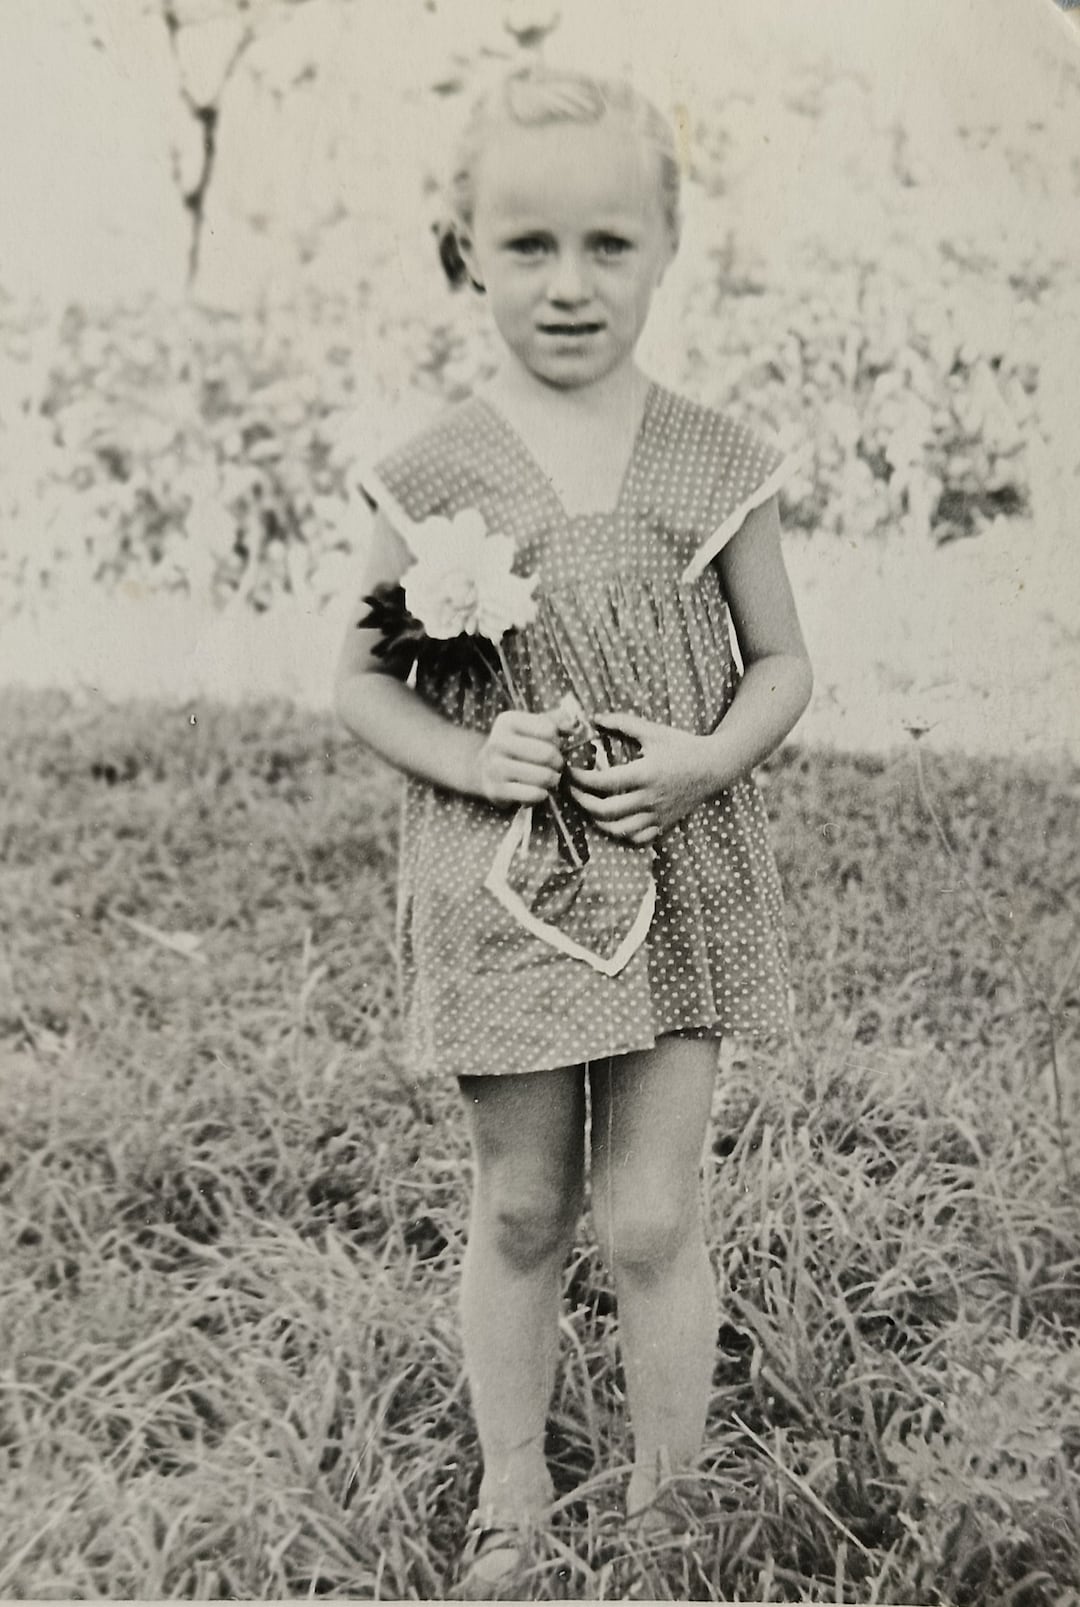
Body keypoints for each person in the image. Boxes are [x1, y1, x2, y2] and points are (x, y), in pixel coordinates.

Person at [334, 67, 813, 1595]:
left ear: (670, 246)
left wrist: (704, 759)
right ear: (463, 248)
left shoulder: (710, 457)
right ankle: (517, 1491)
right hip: (504, 886)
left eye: (610, 245)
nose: (568, 285)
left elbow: (785, 664)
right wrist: (479, 759)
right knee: (527, 1200)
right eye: (527, 246)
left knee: (655, 1211)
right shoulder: (434, 475)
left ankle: (672, 1509)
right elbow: (359, 684)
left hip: (670, 871)